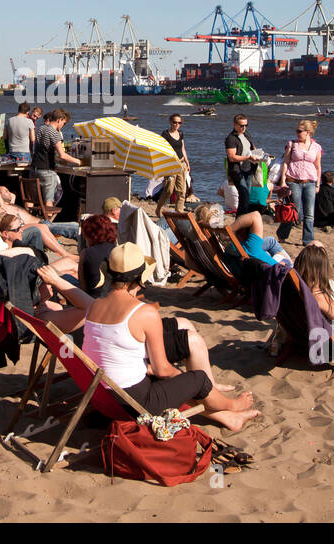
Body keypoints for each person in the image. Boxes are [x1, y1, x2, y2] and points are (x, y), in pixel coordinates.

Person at [81, 244, 259, 431]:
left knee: (179, 378)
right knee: (198, 379)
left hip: (102, 396)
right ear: (140, 277)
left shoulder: (95, 305)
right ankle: (232, 406)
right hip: (133, 403)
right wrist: (186, 380)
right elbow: (162, 370)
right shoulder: (144, 312)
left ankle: (226, 417)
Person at [281, 118, 323, 244]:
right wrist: (283, 180)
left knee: (309, 213)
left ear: (308, 132)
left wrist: (317, 184)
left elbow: (318, 166)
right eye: (297, 131)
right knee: (295, 211)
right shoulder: (292, 144)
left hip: (309, 181)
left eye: (300, 131)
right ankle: (282, 234)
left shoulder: (316, 147)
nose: (297, 133)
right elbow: (286, 162)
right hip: (293, 180)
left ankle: (307, 240)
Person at [32, 109, 80, 205]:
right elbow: (62, 155)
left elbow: (44, 149)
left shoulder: (41, 128)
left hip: (34, 169)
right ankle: (48, 219)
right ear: (59, 120)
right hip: (46, 171)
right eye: (64, 123)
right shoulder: (55, 133)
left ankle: (30, 217)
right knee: (49, 201)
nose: (63, 125)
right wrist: (78, 161)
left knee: (32, 199)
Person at [156, 114, 191, 217]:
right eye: (175, 122)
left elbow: (182, 148)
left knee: (182, 190)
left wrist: (187, 162)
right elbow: (161, 149)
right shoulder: (165, 134)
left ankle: (179, 211)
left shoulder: (181, 133)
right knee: (169, 190)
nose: (177, 124)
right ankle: (159, 208)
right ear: (170, 122)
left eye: (179, 123)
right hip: (170, 164)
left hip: (181, 163)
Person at [223, 115, 257, 215]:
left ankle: (242, 220)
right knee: (244, 195)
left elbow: (253, 148)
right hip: (237, 171)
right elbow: (232, 157)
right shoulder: (231, 138)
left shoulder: (246, 135)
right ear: (235, 125)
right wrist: (248, 158)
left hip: (248, 170)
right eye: (241, 125)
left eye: (246, 125)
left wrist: (260, 154)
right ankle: (241, 220)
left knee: (246, 197)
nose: (244, 128)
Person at [77, 214, 118, 297]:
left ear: (90, 235)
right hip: (114, 298)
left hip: (92, 301)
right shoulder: (117, 251)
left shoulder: (86, 253)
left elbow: (83, 288)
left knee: (65, 277)